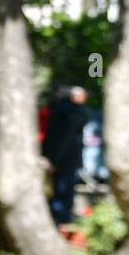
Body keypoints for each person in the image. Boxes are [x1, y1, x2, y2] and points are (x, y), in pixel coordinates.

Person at [42, 85, 90, 228]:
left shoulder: (67, 111)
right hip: (65, 159)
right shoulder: (71, 112)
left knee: (61, 191)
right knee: (63, 191)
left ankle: (60, 222)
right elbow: (62, 138)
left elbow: (61, 138)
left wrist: (53, 160)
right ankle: (61, 221)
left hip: (61, 159)